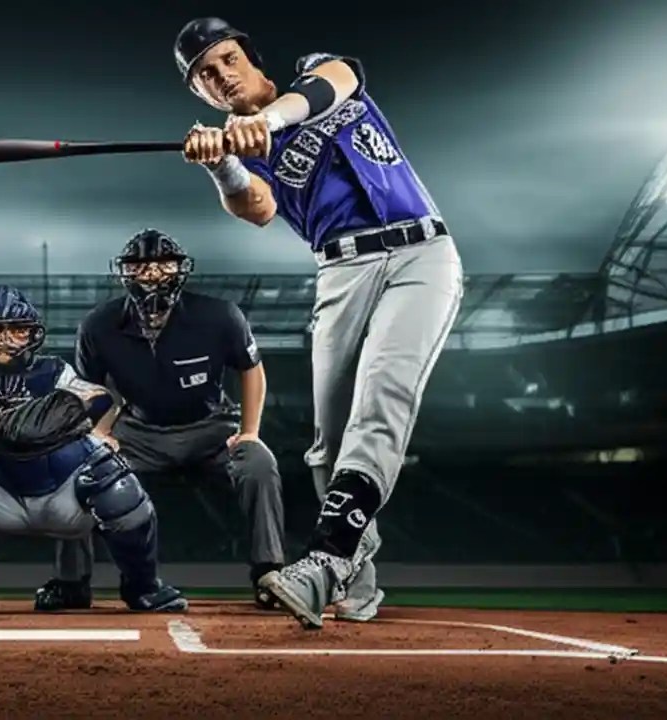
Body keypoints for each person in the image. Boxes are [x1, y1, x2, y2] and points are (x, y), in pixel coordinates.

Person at [173, 17, 465, 629]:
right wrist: (220, 162)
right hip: (340, 274)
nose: (220, 75)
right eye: (204, 73)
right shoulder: (242, 145)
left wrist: (268, 122)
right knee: (328, 447)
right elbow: (255, 208)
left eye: (226, 58)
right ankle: (359, 586)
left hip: (419, 256)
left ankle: (325, 560)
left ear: (248, 55)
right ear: (198, 92)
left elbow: (339, 80)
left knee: (380, 398)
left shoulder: (315, 73)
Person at [33, 229, 288, 612]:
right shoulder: (98, 325)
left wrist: (249, 432)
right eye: (140, 266)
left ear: (180, 269)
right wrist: (102, 433)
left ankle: (270, 574)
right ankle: (72, 582)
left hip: (211, 429)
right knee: (77, 468)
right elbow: (91, 390)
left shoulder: (219, 315)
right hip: (139, 432)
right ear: (124, 273)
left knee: (260, 464)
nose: (152, 273)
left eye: (162, 264)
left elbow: (251, 369)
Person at [0, 284, 187, 616]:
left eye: (16, 330)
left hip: (63, 493)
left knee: (114, 477)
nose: (4, 340)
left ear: (31, 334)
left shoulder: (55, 373)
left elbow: (101, 398)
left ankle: (143, 587)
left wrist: (85, 424)